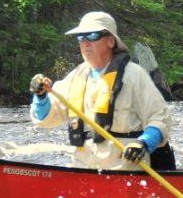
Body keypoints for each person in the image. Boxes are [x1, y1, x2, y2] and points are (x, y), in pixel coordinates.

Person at [29, 11, 175, 171]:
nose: (85, 43)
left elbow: (160, 119)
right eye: (80, 38)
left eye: (91, 36)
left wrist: (143, 143)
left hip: (126, 170)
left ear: (111, 41)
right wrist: (41, 97)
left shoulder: (135, 75)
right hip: (84, 169)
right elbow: (47, 119)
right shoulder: (75, 77)